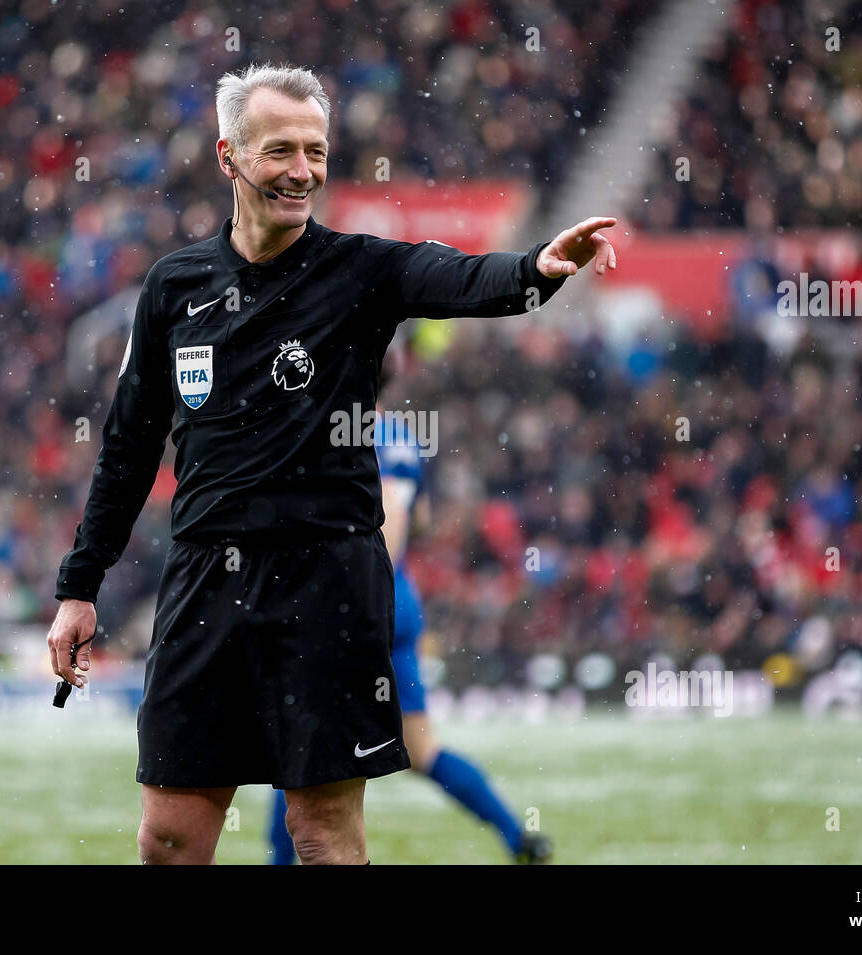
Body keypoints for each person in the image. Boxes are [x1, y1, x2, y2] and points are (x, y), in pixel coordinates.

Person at [46, 62, 618, 865]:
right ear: (228, 157)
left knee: (323, 838)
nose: (303, 170)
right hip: (204, 583)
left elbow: (455, 277)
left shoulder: (360, 270)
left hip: (326, 586)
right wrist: (80, 585)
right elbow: (129, 446)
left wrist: (533, 272)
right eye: (281, 149)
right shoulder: (174, 287)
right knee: (169, 839)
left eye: (316, 150)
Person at [267, 358, 555, 864]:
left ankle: (280, 861)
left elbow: (395, 519)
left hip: (353, 605)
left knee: (301, 743)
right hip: (400, 602)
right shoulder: (400, 436)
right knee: (421, 749)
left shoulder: (332, 430)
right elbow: (414, 514)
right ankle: (517, 836)